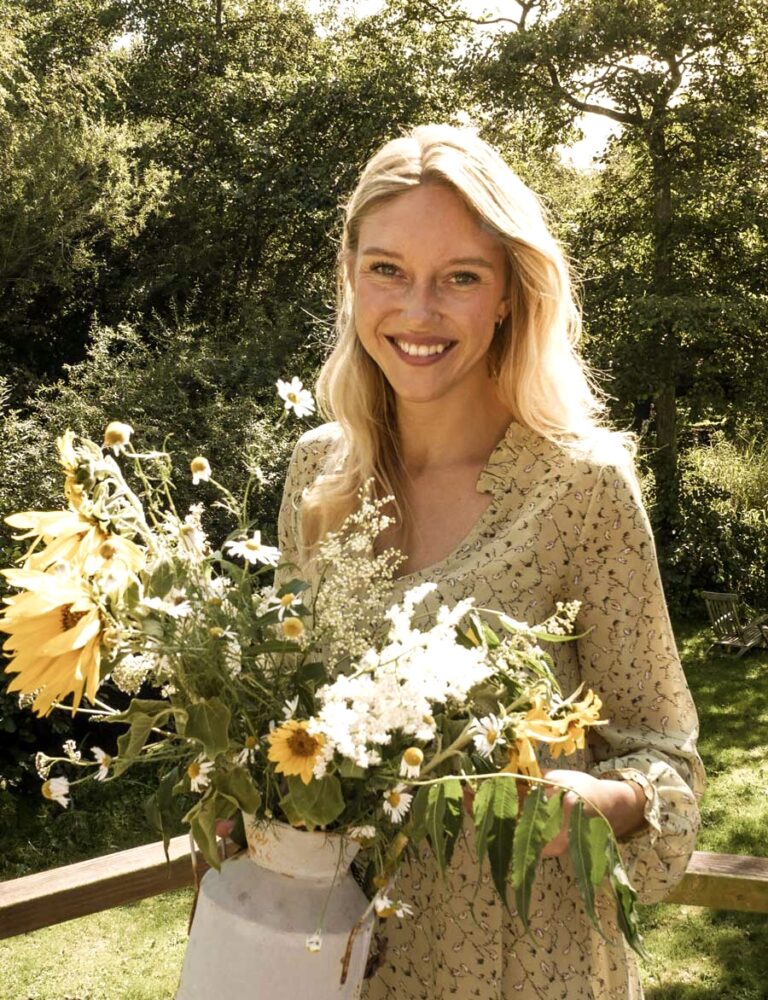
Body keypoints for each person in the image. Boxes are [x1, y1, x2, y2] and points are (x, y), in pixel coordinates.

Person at [276, 124, 705, 1000]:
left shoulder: (581, 488)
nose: (418, 311)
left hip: (526, 962)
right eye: (387, 269)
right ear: (351, 277)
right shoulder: (317, 474)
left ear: (510, 293)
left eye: (460, 278)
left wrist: (598, 802)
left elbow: (668, 760)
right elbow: (288, 715)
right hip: (338, 960)